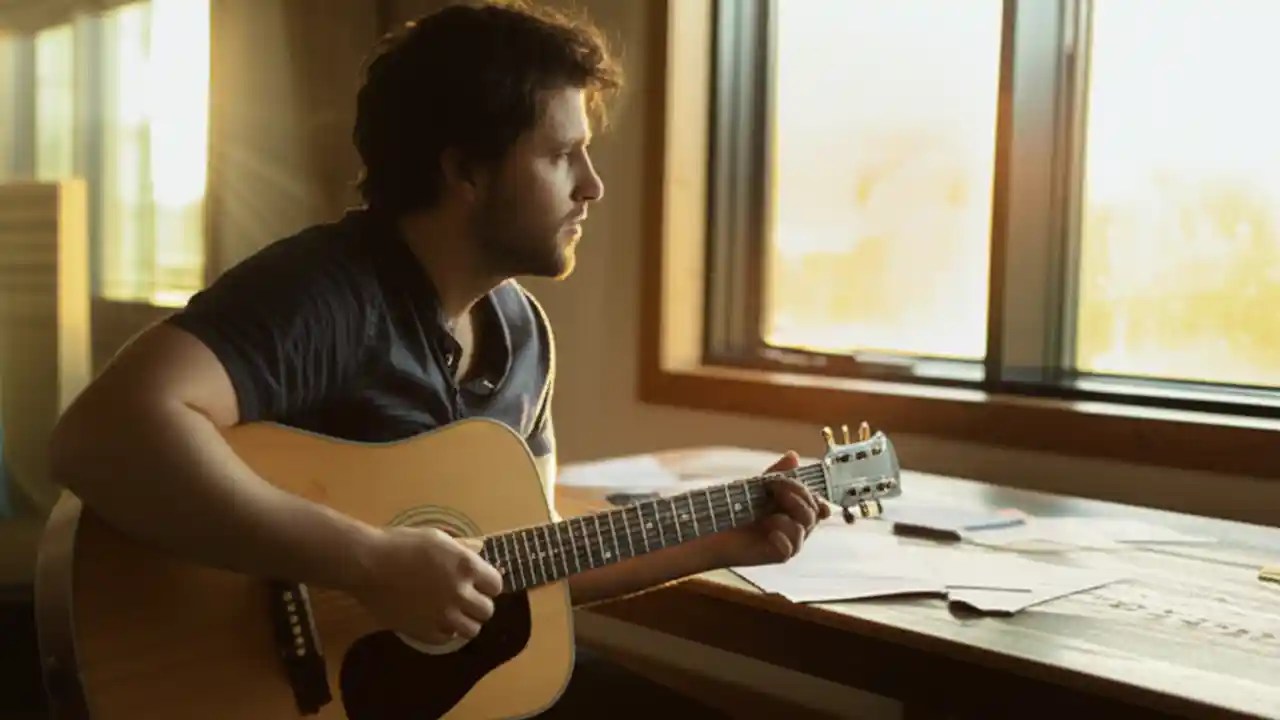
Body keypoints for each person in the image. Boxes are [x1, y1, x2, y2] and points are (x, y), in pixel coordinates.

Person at [49, 0, 829, 715]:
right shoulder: (323, 292)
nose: (591, 186)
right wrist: (367, 561)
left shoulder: (523, 332)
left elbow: (519, 564)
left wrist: (721, 543)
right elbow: (103, 433)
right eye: (564, 156)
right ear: (466, 170)